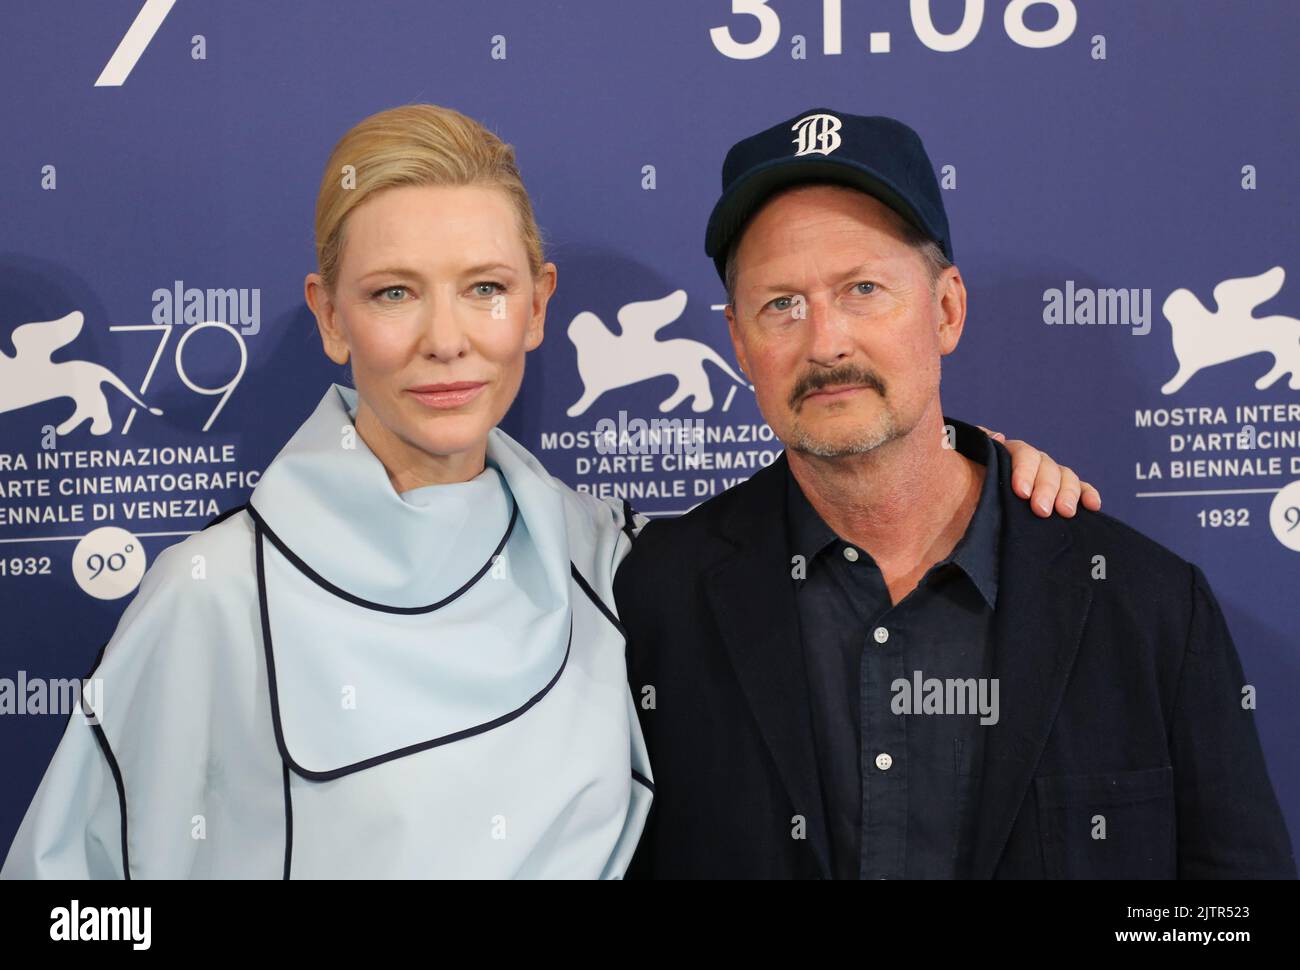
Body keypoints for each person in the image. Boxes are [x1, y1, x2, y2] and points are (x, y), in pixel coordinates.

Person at [2, 104, 1092, 880]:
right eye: (392, 293)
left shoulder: (612, 562)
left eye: (483, 288)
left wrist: (965, 466)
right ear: (330, 317)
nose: (445, 340)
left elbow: (835, 499)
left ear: (536, 305)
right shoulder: (208, 596)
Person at [616, 107, 1296, 879]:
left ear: (946, 310)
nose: (826, 341)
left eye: (863, 288)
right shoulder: (652, 597)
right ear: (738, 341)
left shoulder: (1147, 605)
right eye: (783, 305)